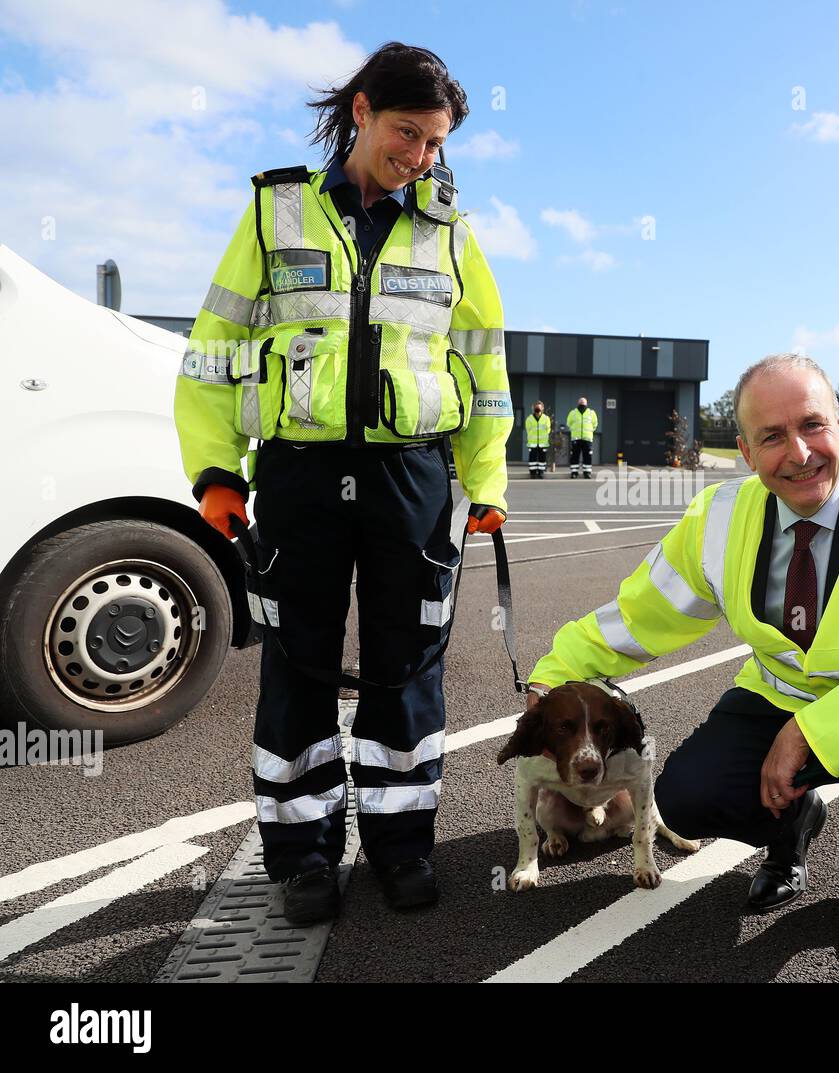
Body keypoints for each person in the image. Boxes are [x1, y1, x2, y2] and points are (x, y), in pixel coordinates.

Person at [174, 42, 511, 925]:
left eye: (436, 144)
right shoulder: (271, 214)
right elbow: (211, 355)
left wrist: (485, 479)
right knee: (296, 666)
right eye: (408, 133)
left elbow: (485, 367)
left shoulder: (454, 234)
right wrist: (214, 469)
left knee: (407, 668)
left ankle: (402, 846)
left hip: (414, 475)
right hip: (299, 476)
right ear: (361, 112)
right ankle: (304, 857)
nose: (420, 157)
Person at [526, 354, 839, 961]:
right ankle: (791, 826)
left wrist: (809, 732)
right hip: (778, 692)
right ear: (744, 451)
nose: (799, 452)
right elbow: (639, 615)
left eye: (813, 425)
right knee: (684, 797)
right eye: (772, 437)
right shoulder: (720, 516)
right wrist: (554, 673)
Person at [566, 396, 597, 478]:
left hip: (587, 438)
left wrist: (589, 432)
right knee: (575, 455)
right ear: (578, 403)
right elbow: (568, 424)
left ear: (586, 404)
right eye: (581, 402)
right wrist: (574, 431)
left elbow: (595, 425)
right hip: (576, 438)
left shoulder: (591, 413)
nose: (582, 403)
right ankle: (574, 472)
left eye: (583, 402)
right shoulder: (573, 413)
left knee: (587, 456)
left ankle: (587, 473)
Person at [525, 401, 551, 478]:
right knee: (532, 459)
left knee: (542, 459)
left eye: (539, 407)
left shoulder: (546, 418)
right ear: (533, 408)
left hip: (543, 443)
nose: (537, 409)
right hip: (532, 443)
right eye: (536, 407)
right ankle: (532, 473)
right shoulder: (529, 419)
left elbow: (548, 430)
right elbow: (528, 430)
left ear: (542, 408)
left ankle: (541, 472)